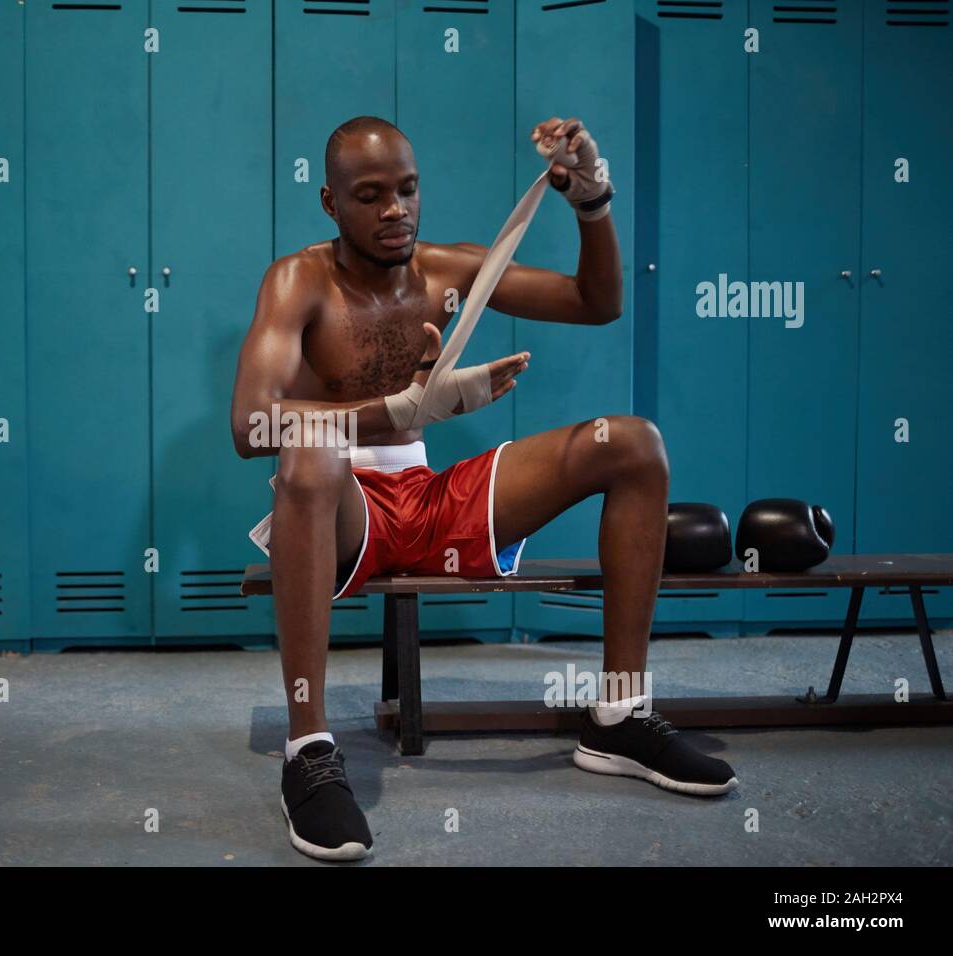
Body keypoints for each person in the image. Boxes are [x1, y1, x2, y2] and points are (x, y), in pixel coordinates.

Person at [230, 115, 736, 862]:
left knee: (632, 445)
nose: (395, 209)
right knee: (308, 450)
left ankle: (620, 717)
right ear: (331, 204)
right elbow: (251, 428)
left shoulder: (448, 268)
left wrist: (592, 202)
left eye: (406, 189)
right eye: (370, 196)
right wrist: (398, 410)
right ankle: (308, 751)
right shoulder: (297, 282)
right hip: (342, 512)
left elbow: (597, 302)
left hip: (429, 499)